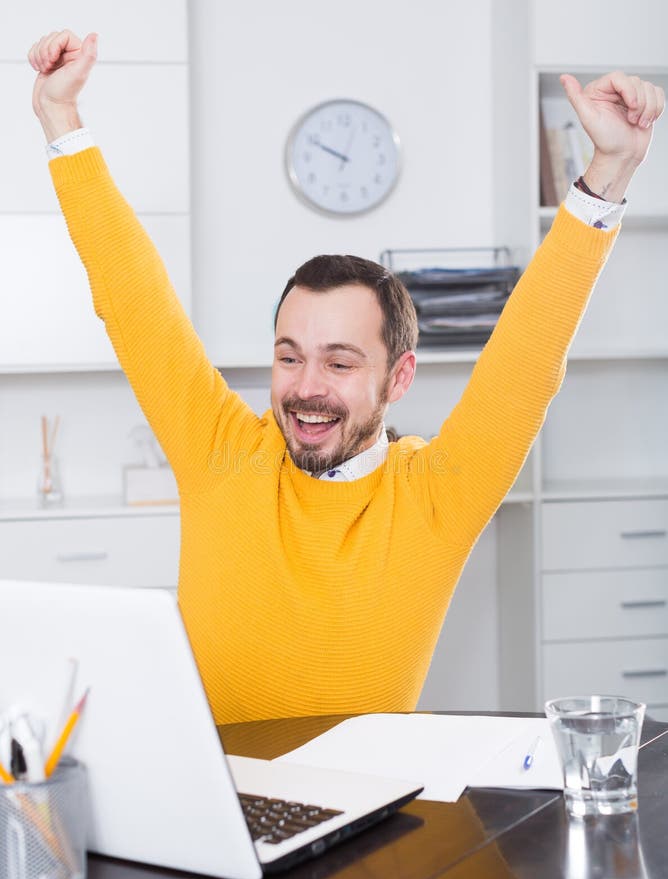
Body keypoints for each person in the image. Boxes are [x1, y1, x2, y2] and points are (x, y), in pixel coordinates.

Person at [29, 30, 664, 724]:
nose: (306, 386)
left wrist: (611, 169)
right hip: (219, 811)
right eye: (289, 355)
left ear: (399, 379)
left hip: (373, 817)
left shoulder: (436, 495)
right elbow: (133, 297)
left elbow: (529, 355)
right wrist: (61, 119)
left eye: (339, 362)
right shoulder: (222, 457)